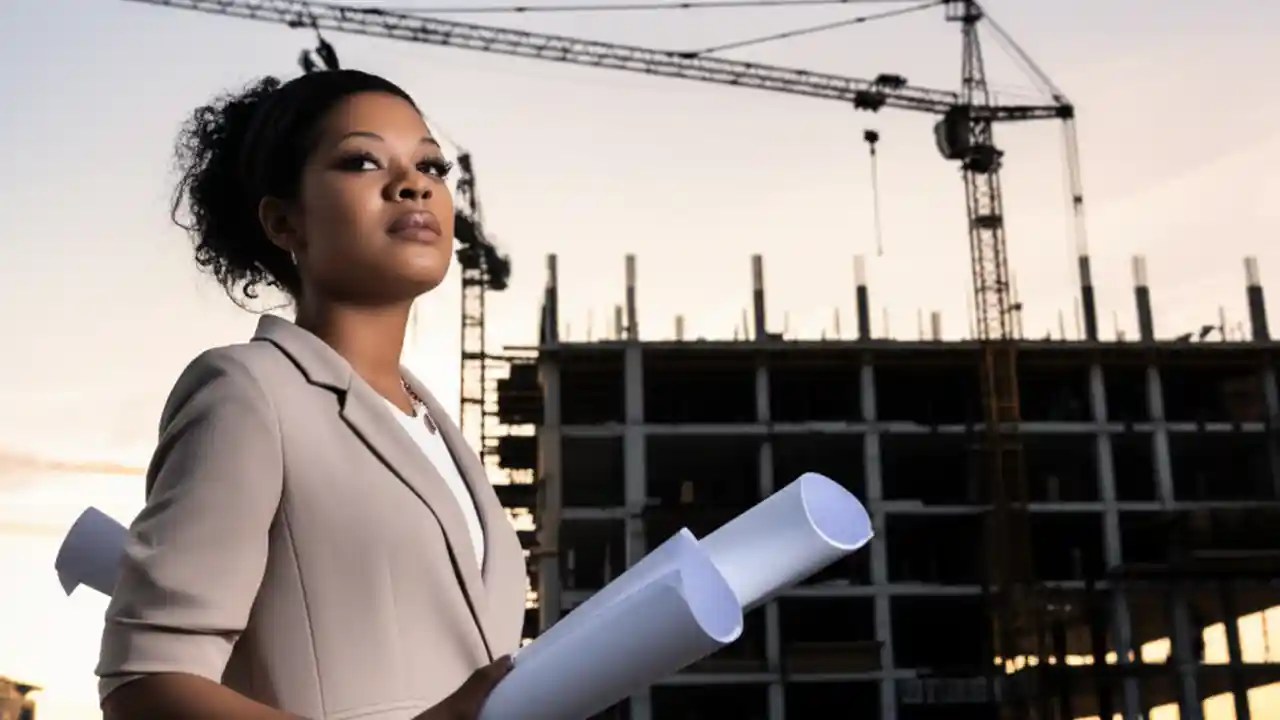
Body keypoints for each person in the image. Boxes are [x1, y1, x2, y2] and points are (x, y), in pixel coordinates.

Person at [96, 69, 526, 720]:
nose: (413, 183)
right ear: (283, 222)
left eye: (432, 167)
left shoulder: (441, 433)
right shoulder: (248, 393)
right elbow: (147, 685)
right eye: (360, 160)